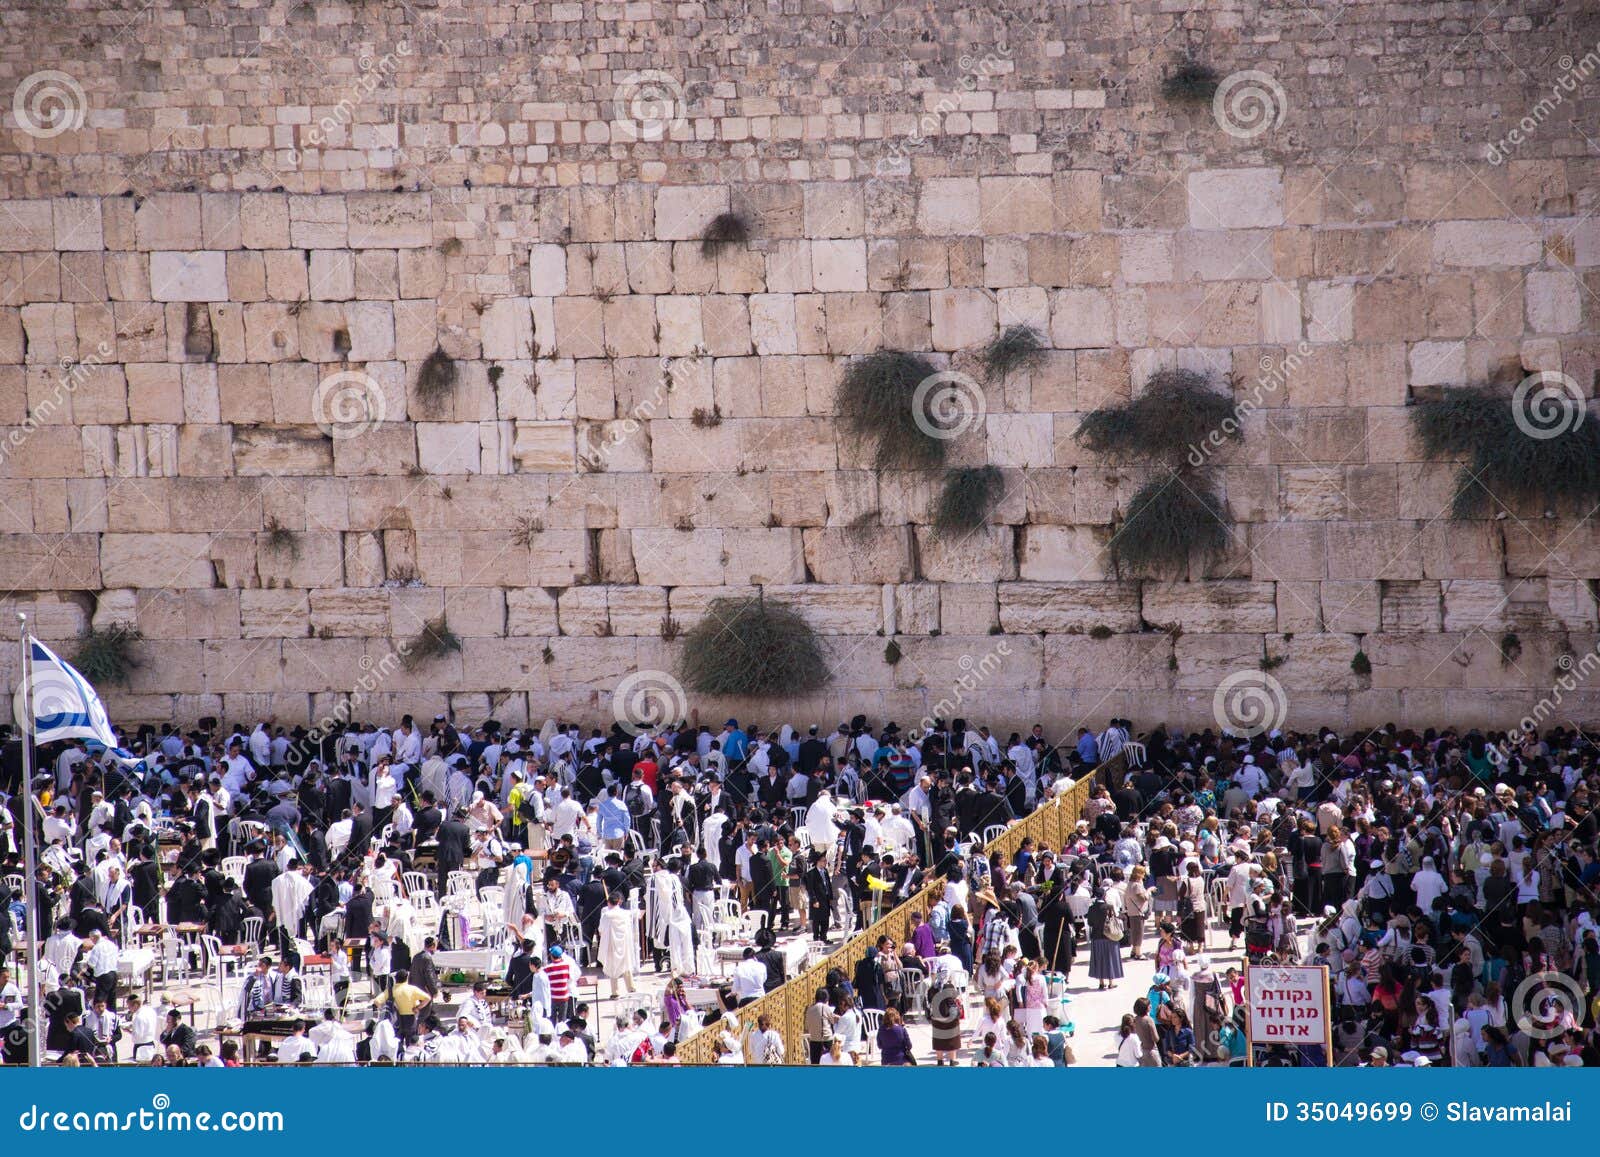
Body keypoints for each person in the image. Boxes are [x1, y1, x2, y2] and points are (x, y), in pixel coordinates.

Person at [596, 891, 638, 997]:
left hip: (612, 944)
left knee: (612, 967)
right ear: (618, 902)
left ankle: (615, 992)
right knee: (626, 965)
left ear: (609, 903)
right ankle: (631, 987)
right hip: (624, 944)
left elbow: (601, 929)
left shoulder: (606, 915)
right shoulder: (625, 914)